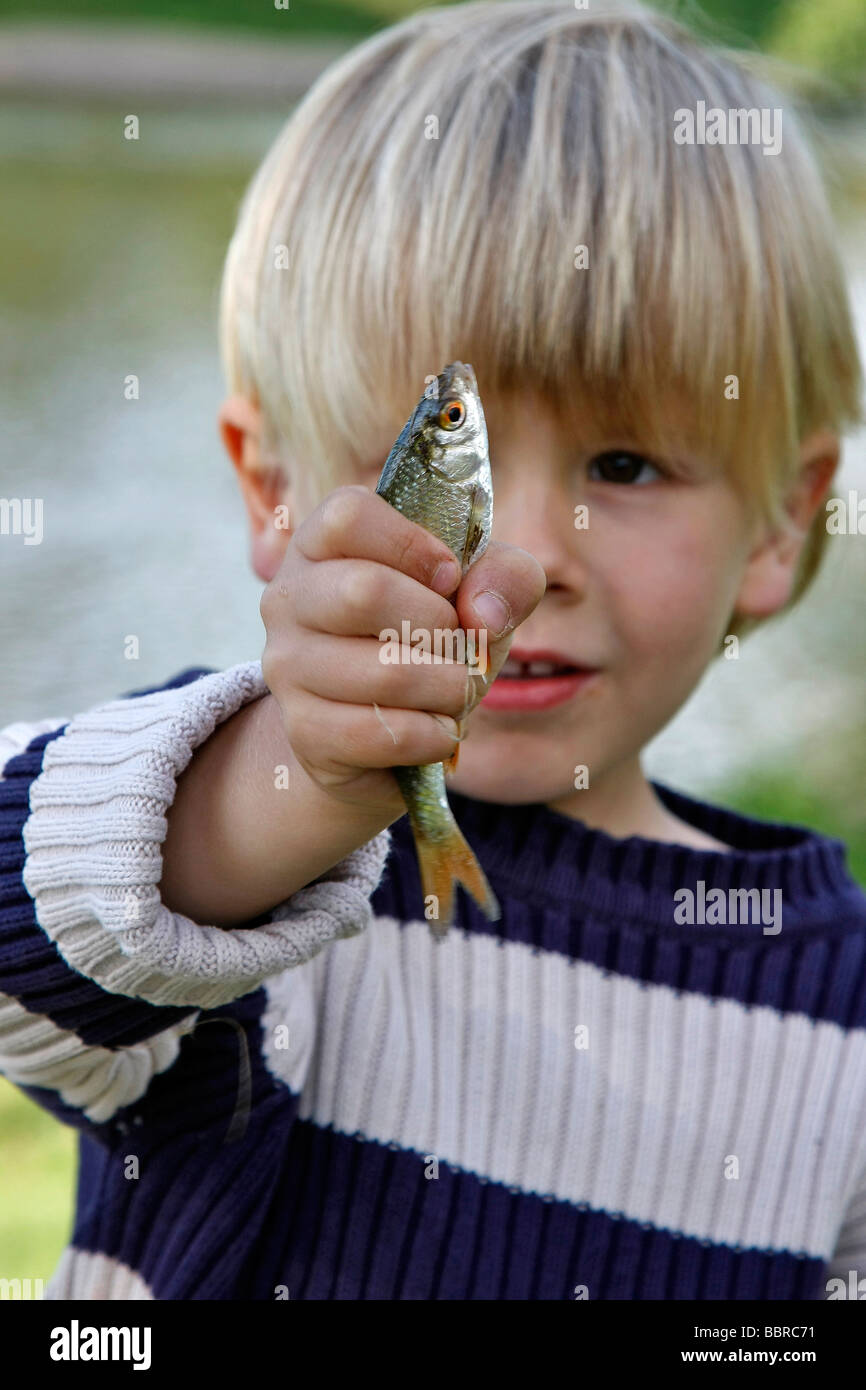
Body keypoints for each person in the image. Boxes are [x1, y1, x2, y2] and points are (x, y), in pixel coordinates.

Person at [2, 0, 864, 1300]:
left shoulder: (837, 1019)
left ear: (778, 521)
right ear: (273, 491)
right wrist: (286, 789)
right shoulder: (235, 898)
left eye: (622, 464)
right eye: (432, 468)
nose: (512, 560)